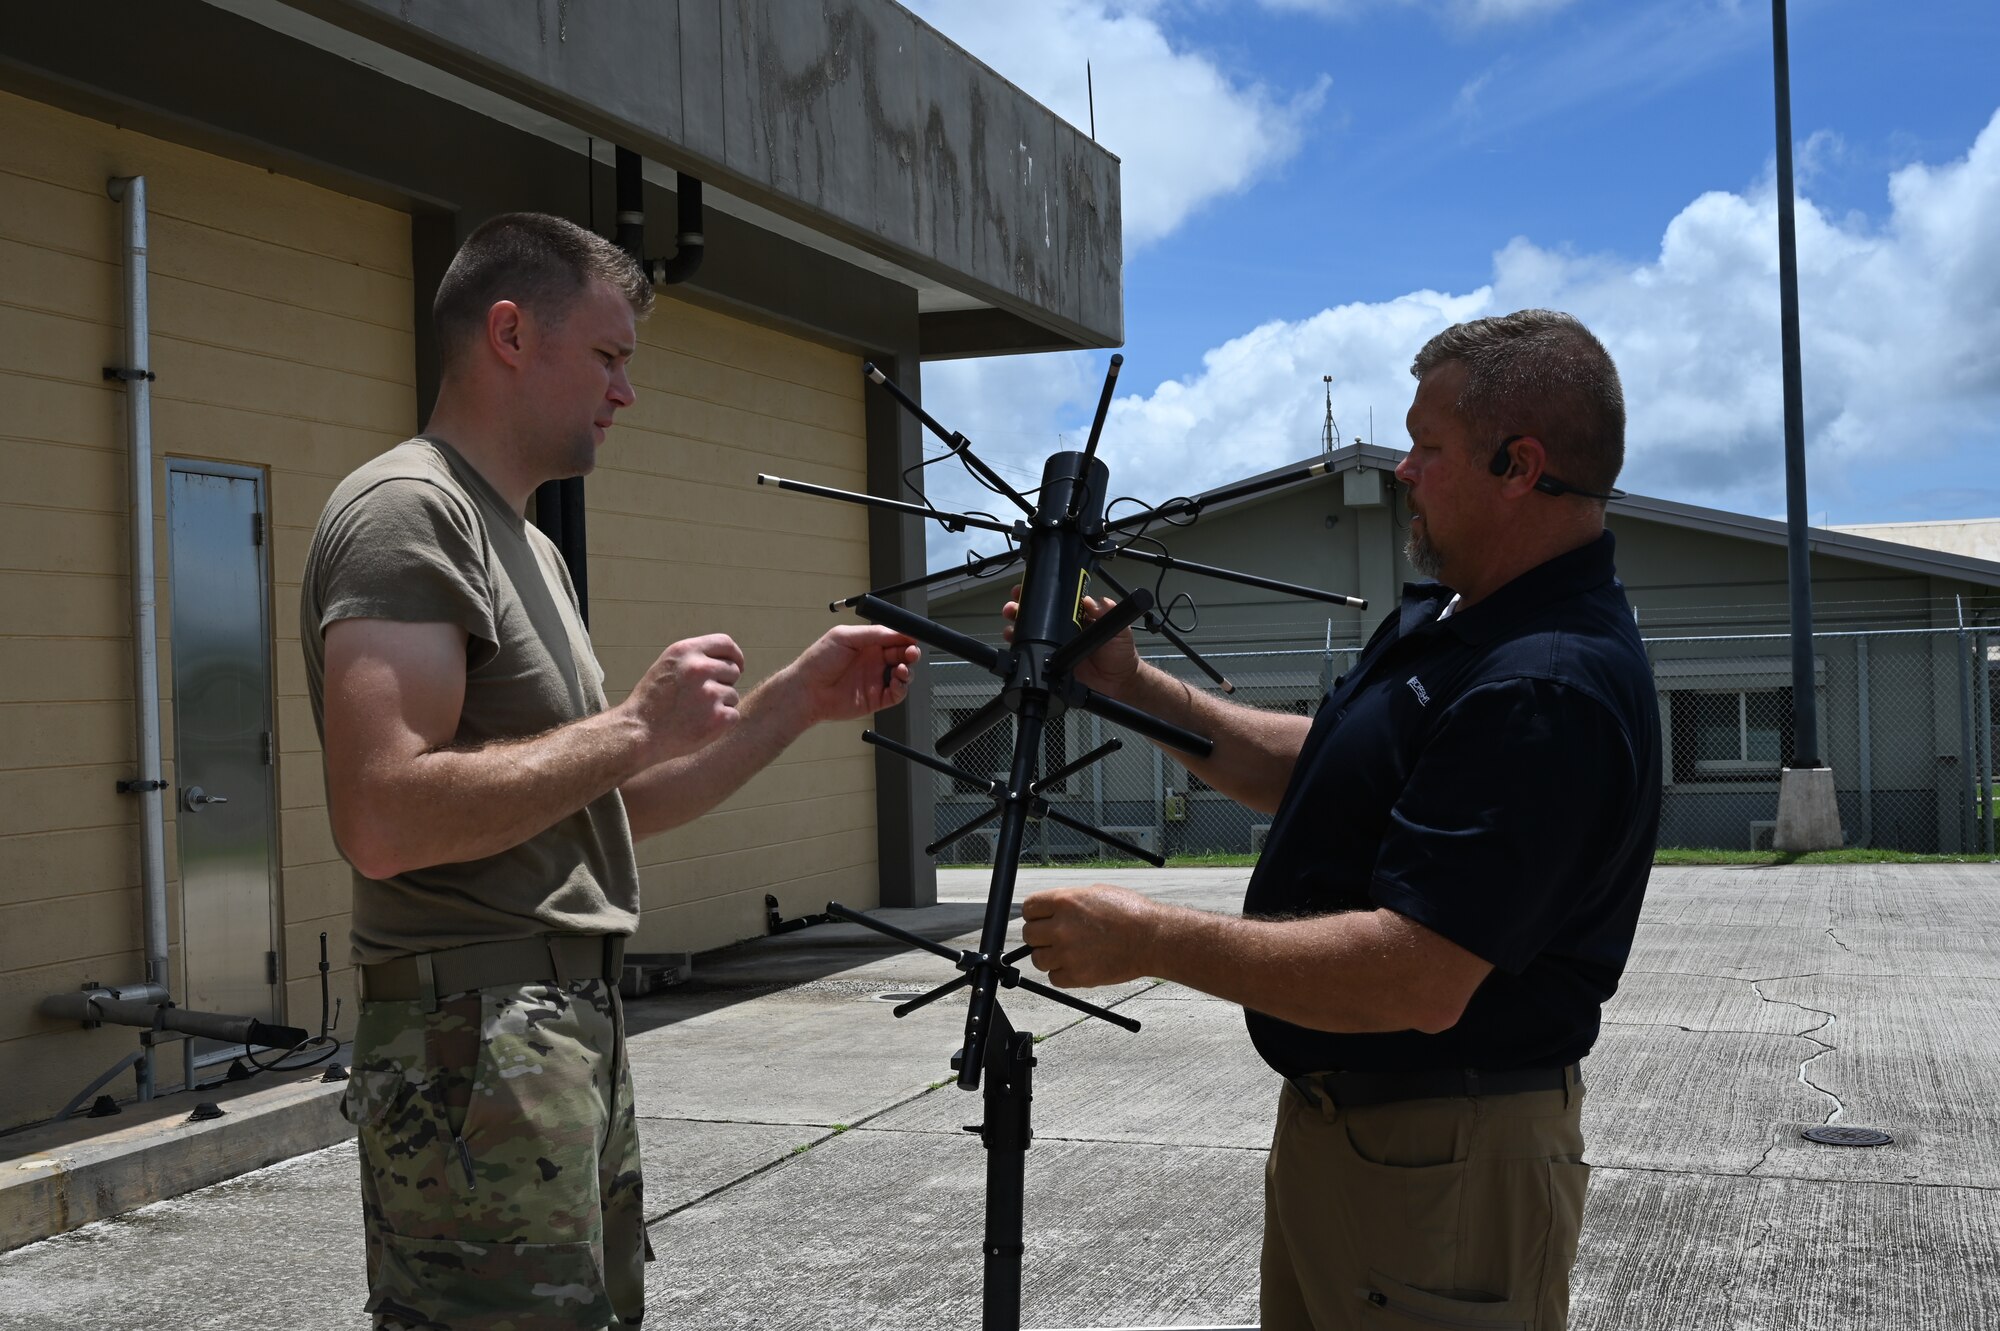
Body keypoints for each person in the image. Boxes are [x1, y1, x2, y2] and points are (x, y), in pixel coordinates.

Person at [300, 212, 918, 1331]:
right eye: (608, 356)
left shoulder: (525, 541)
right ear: (508, 333)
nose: (625, 392)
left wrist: (793, 699)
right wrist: (634, 722)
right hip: (470, 1041)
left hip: (552, 1023)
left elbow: (601, 806)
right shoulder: (409, 512)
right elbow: (382, 814)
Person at [1017, 310, 1661, 1330]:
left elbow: (1417, 973)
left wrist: (1150, 938)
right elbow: (1320, 770)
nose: (1404, 470)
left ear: (1517, 465)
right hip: (1366, 1140)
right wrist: (1130, 686)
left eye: (1427, 447)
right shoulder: (1462, 626)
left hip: (1447, 1155)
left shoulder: (1542, 684)